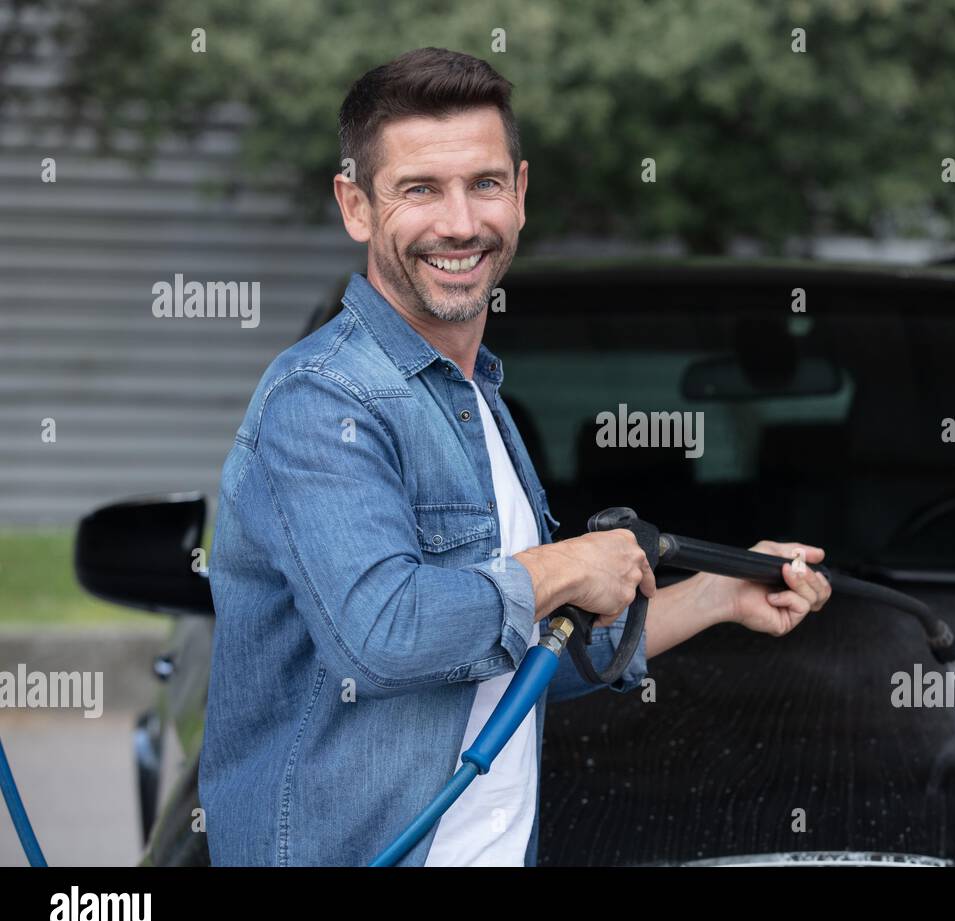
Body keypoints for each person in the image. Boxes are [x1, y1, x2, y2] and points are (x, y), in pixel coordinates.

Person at [198, 47, 831, 866]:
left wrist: (714, 596)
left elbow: (509, 669)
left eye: (485, 183)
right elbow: (382, 635)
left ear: (521, 195)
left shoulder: (477, 400)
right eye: (420, 189)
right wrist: (564, 566)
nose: (461, 223)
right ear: (356, 206)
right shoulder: (324, 401)